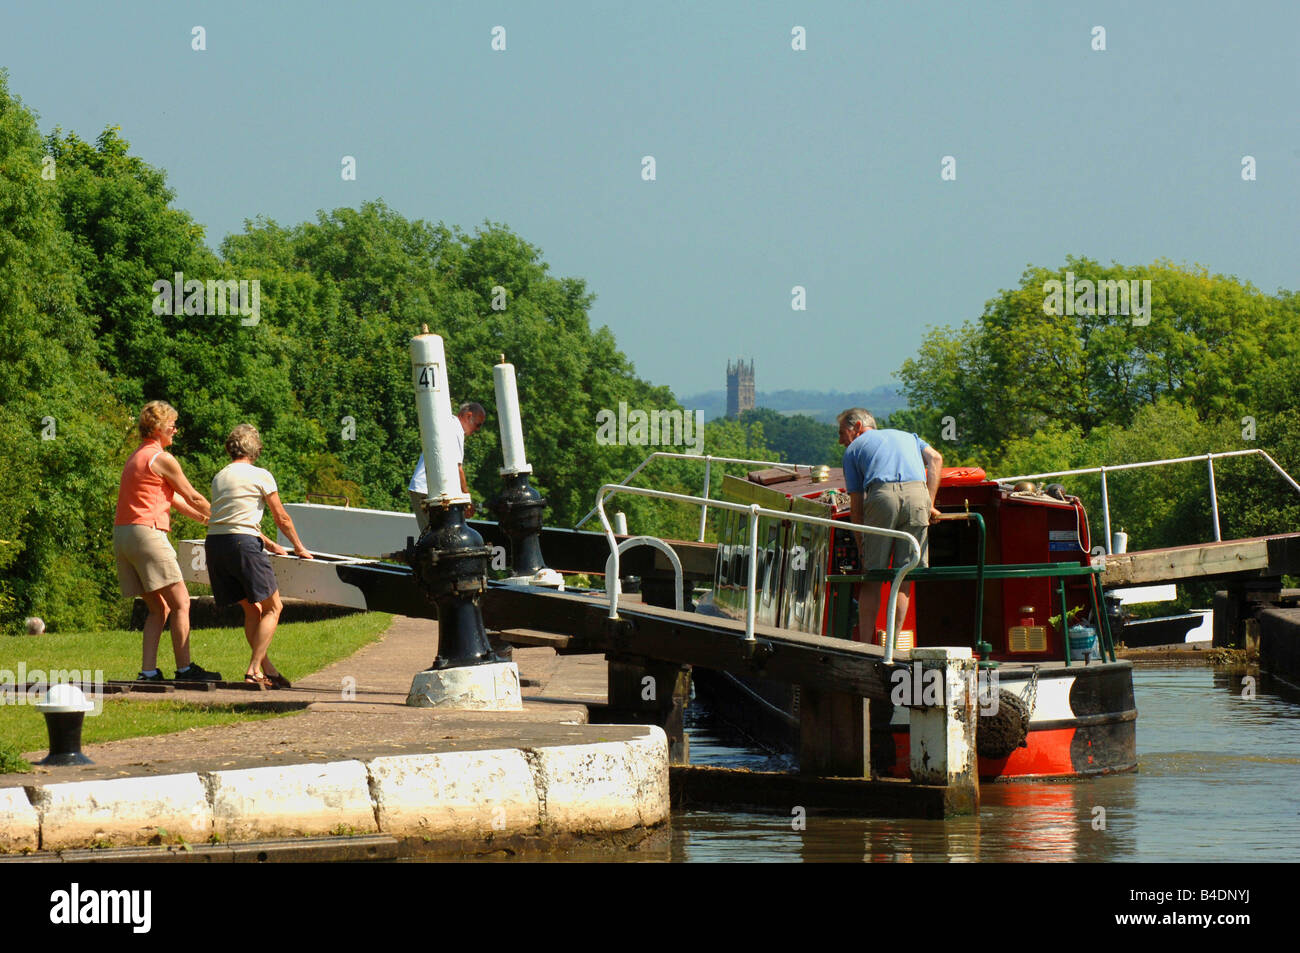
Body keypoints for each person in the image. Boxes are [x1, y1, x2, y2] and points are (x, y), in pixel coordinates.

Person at [114, 400, 221, 682]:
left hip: (124, 536)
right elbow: (193, 495)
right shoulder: (163, 458)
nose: (175, 429)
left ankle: (148, 672)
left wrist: (203, 518)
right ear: (157, 427)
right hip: (147, 534)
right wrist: (224, 517)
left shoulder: (138, 456)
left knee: (158, 608)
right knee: (182, 602)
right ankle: (185, 670)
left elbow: (172, 497)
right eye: (171, 424)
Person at [205, 424, 313, 688]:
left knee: (252, 609)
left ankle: (268, 669)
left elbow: (231, 520)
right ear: (256, 449)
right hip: (243, 546)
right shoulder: (260, 475)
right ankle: (254, 670)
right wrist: (298, 547)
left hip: (215, 545)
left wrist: (268, 543)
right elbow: (281, 517)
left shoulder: (220, 476)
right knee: (274, 607)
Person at [836, 408, 943, 644]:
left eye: (842, 432)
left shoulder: (854, 450)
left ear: (858, 428)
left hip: (882, 497)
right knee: (905, 575)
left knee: (873, 576)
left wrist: (860, 544)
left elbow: (856, 506)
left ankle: (866, 645)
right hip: (918, 495)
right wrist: (930, 504)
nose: (840, 439)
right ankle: (893, 645)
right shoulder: (910, 437)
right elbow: (935, 459)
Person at [408, 401, 486, 530]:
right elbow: (457, 468)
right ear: (468, 416)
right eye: (478, 425)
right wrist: (467, 500)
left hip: (422, 487)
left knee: (430, 535)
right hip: (428, 490)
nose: (477, 430)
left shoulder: (448, 423)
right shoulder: (456, 430)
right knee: (438, 537)